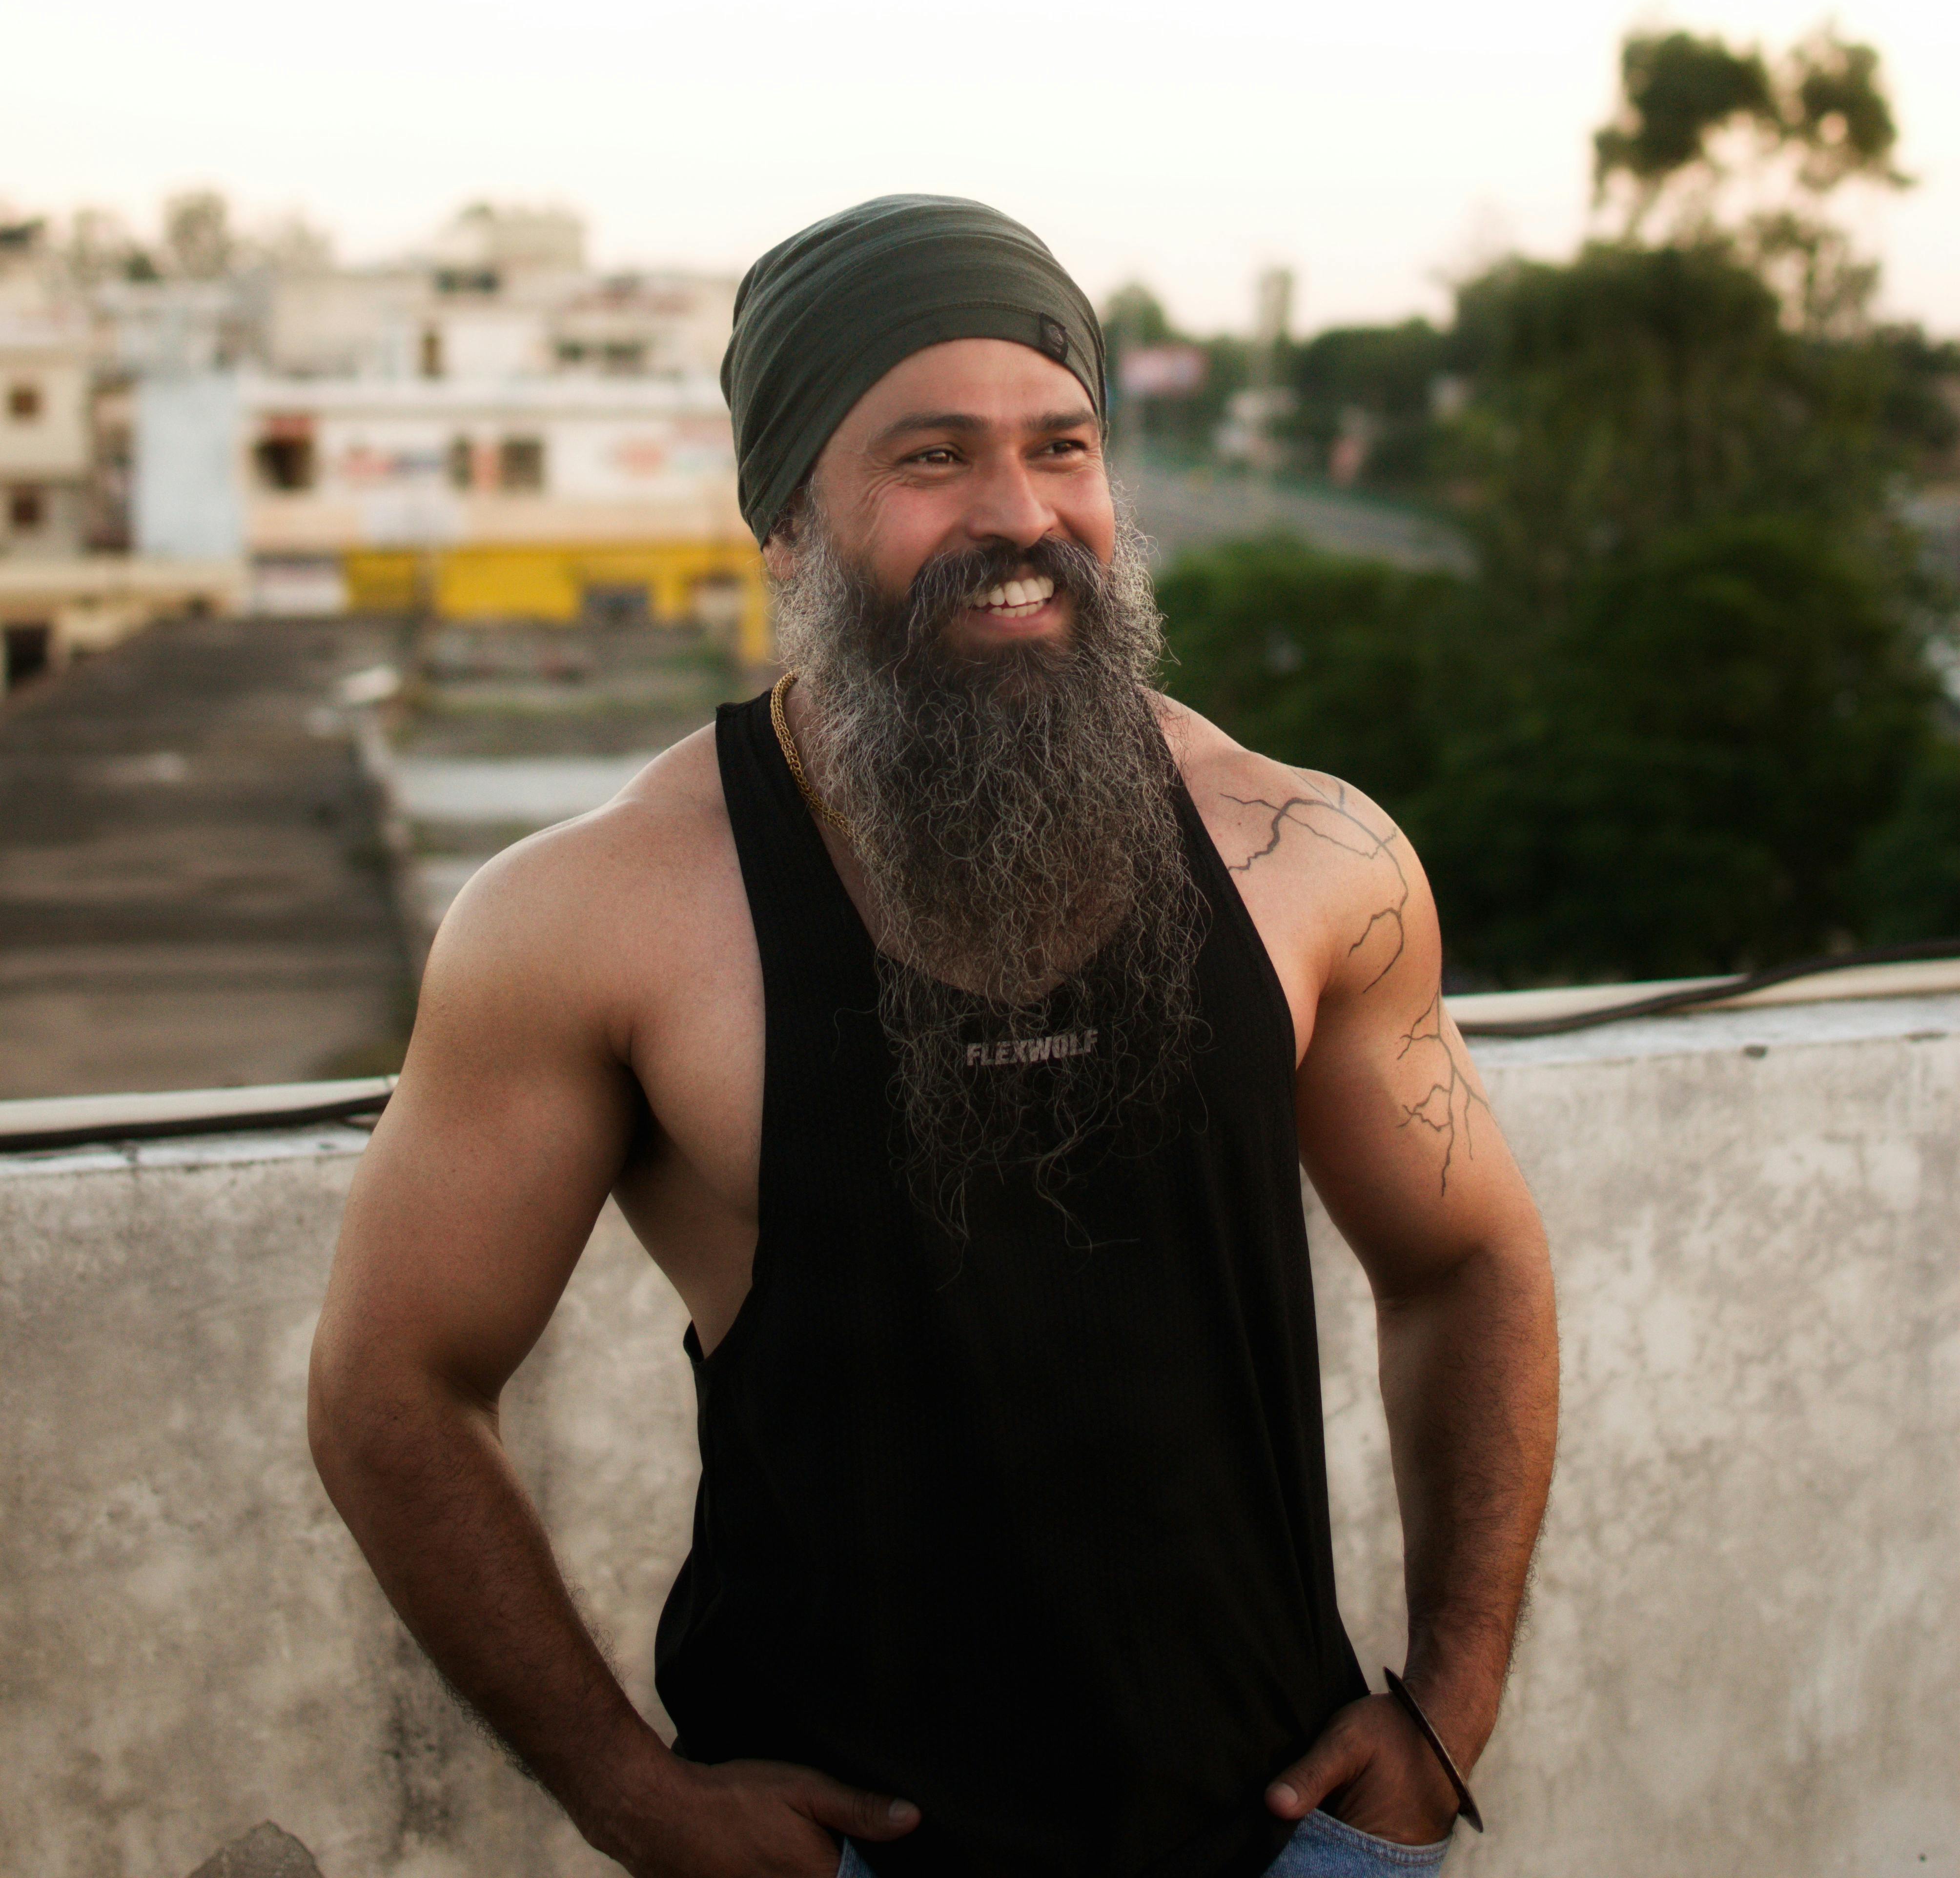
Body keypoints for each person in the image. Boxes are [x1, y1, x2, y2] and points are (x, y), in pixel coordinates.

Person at [310, 195, 1557, 1878]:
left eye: (1064, 446)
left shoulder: (1309, 854)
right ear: (786, 524)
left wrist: (1447, 1709)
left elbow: (1470, 1262)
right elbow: (394, 1383)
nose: (1021, 515)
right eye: (931, 460)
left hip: (1288, 1841)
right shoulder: (594, 916)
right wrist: (629, 1792)